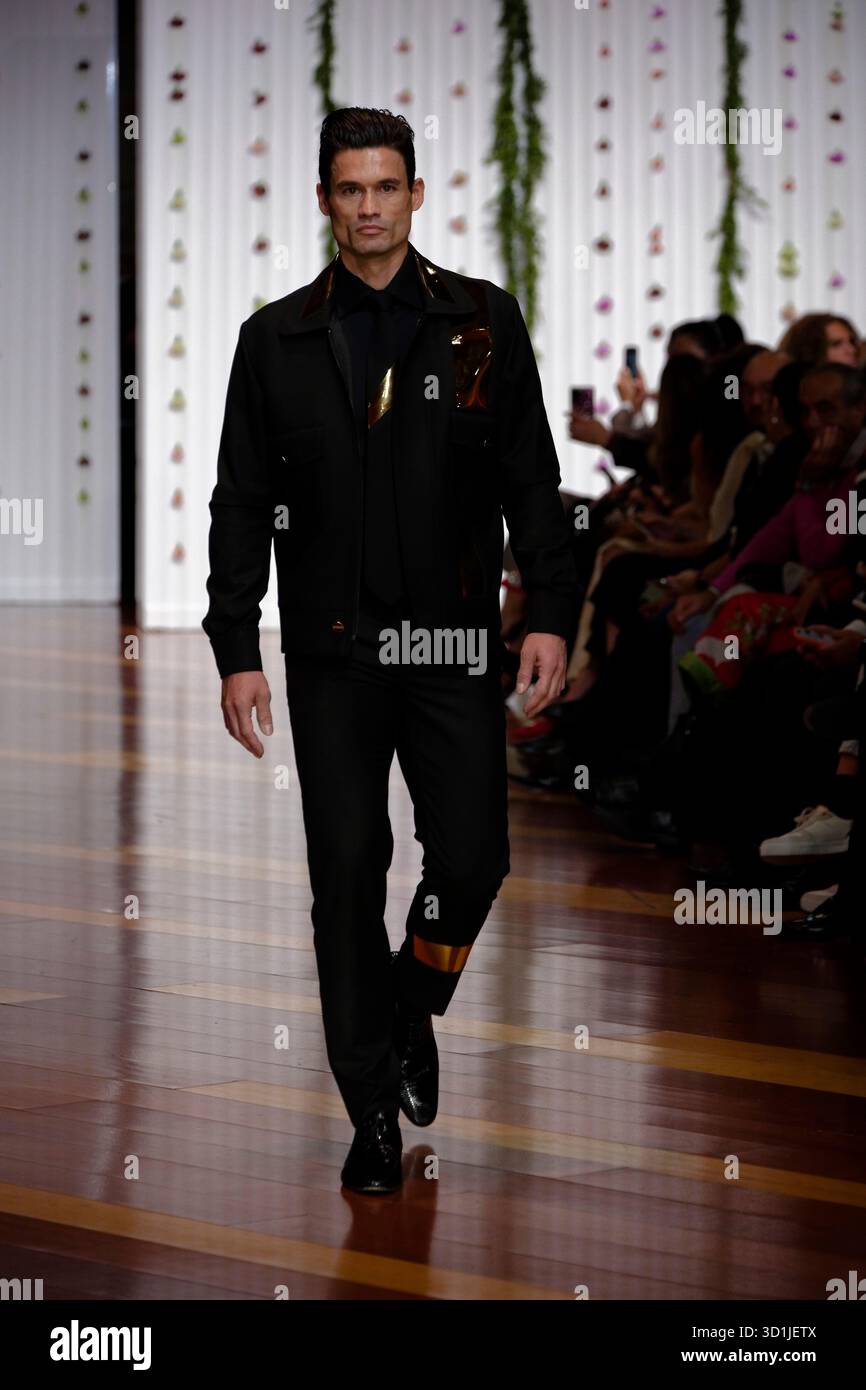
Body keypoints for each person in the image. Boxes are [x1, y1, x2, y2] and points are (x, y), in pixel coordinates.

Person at [201, 108, 578, 1195]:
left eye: (384, 186)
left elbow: (529, 482)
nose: (367, 207)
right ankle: (368, 1108)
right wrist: (236, 645)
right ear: (324, 199)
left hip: (452, 641)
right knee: (345, 876)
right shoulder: (272, 338)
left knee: (472, 859)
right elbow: (241, 501)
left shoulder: (480, 325)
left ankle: (410, 1002)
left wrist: (547, 609)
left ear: (418, 193)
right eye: (347, 189)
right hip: (331, 652)